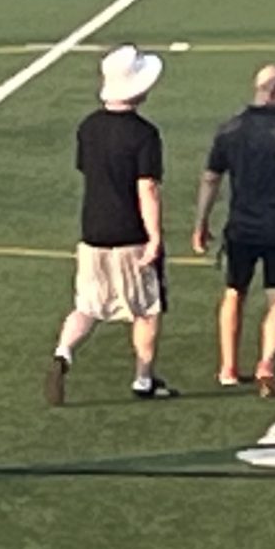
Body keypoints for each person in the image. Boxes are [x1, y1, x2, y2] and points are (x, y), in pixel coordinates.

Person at [46, 44, 173, 405]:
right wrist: (155, 236)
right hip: (129, 232)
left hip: (93, 230)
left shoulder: (89, 127)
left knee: (87, 305)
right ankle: (143, 378)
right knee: (146, 310)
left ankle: (63, 352)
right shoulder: (143, 134)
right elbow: (146, 187)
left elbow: (88, 170)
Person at [193, 63, 275, 398]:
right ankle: (266, 365)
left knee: (235, 293)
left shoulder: (230, 129)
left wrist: (201, 222)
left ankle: (228, 368)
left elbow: (210, 178)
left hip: (242, 227)